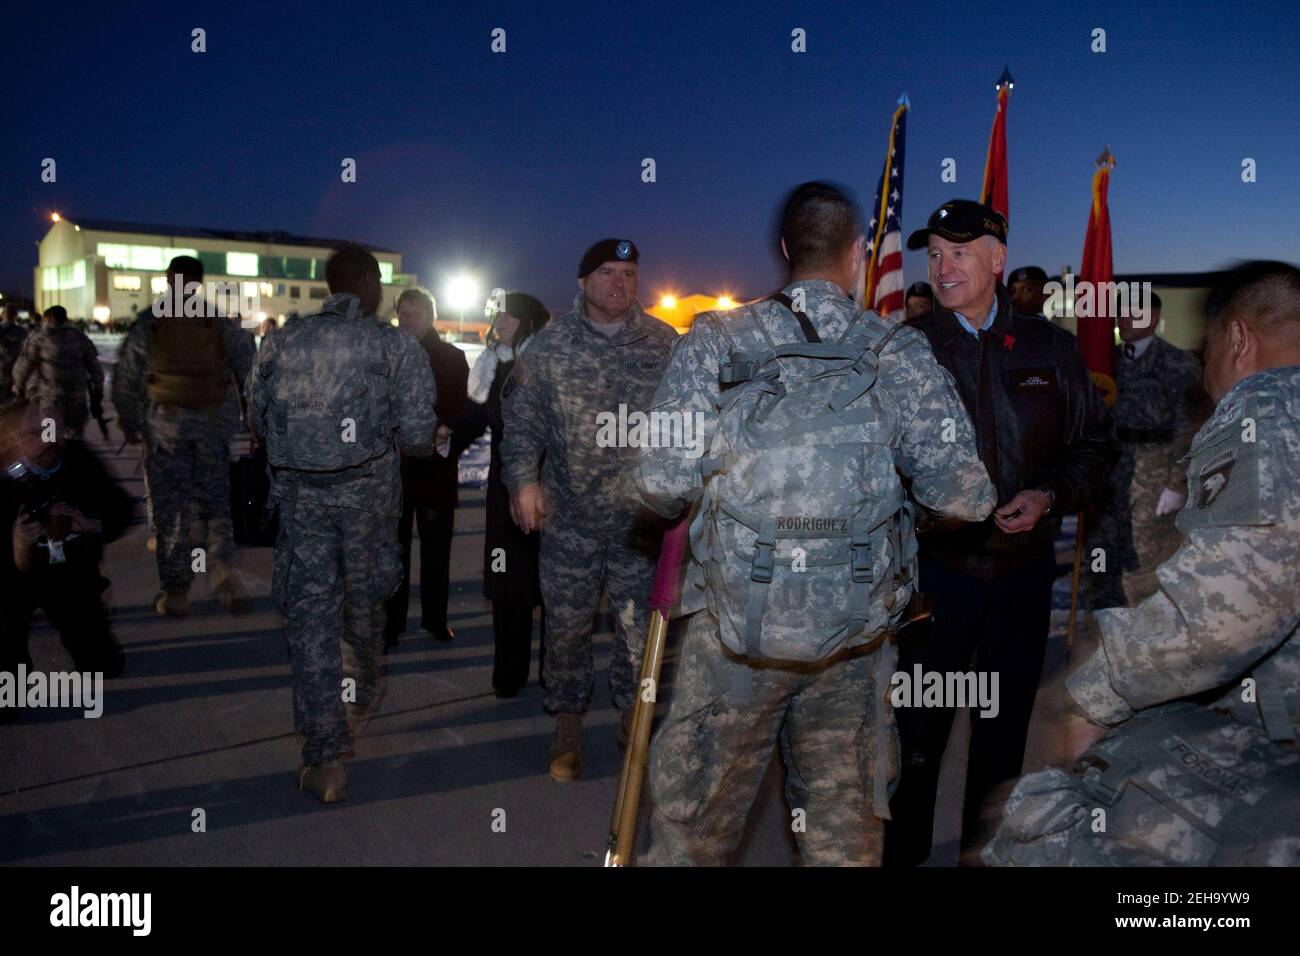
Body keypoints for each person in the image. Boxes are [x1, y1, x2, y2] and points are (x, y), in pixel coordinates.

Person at [635, 182, 995, 865]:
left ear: (783, 250)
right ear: (857, 253)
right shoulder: (898, 348)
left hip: (736, 637)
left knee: (693, 838)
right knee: (844, 842)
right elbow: (967, 496)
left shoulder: (715, 338)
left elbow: (658, 482)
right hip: (853, 644)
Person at [984, 261, 1300, 866]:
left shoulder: (1267, 405)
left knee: (1058, 824)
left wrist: (1093, 695)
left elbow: (1219, 618)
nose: (1207, 377)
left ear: (1237, 339)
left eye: (1210, 352)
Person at [884, 199, 1120, 866]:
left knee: (1001, 734)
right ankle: (901, 858)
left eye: (960, 252)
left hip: (1020, 574)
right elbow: (874, 459)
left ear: (997, 259)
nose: (943, 265)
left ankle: (981, 857)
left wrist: (1049, 495)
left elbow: (1096, 451)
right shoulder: (909, 349)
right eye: (934, 254)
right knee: (917, 738)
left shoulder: (1050, 348)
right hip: (934, 581)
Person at [246, 246, 435, 803]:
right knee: (363, 607)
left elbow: (256, 418)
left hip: (302, 506)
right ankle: (358, 700)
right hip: (368, 507)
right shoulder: (393, 345)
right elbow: (420, 434)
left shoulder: (280, 341)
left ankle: (324, 757)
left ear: (330, 286)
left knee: (310, 623)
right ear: (371, 285)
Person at [501, 238, 677, 782]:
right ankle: (569, 721)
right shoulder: (547, 347)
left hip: (638, 523)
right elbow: (522, 424)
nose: (619, 282)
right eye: (606, 272)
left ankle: (633, 718)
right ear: (582, 282)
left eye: (629, 272)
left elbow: (688, 421)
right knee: (567, 629)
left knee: (638, 633)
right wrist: (523, 481)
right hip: (570, 520)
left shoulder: (664, 343)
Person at [112, 256, 255, 617]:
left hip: (165, 430)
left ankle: (176, 593)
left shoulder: (151, 320)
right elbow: (249, 369)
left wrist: (130, 422)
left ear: (168, 280)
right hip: (211, 426)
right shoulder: (216, 319)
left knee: (171, 509)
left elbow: (127, 376)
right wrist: (253, 418)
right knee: (217, 504)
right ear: (199, 282)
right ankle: (229, 578)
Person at [0, 400, 131, 723]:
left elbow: (122, 510)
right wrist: (16, 541)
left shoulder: (79, 460)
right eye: (38, 432)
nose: (50, 440)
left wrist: (93, 524)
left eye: (56, 431)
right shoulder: (4, 471)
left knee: (102, 665)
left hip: (69, 575)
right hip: (11, 581)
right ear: (16, 437)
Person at [453, 291, 550, 697]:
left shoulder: (546, 364)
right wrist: (442, 444)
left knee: (552, 587)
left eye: (509, 314)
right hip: (503, 492)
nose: (500, 319)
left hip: (547, 491)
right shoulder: (491, 364)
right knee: (508, 581)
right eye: (500, 313)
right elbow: (473, 419)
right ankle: (509, 674)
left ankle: (555, 677)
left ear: (527, 321)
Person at [1087, 291, 1208, 609]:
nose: (1123, 319)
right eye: (1120, 312)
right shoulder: (1103, 361)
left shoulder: (1178, 364)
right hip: (1107, 475)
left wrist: (1177, 483)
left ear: (1153, 318)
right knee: (1101, 559)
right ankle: (1101, 636)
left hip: (1154, 478)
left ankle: (1145, 641)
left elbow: (1191, 429)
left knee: (1143, 567)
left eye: (1133, 312)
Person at [385, 287, 468, 647]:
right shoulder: (386, 355)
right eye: (403, 313)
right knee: (392, 550)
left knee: (436, 550)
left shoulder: (451, 357)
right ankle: (392, 621)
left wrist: (445, 427)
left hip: (435, 468)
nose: (408, 319)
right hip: (394, 470)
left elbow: (462, 409)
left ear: (431, 317)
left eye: (416, 313)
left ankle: (435, 619)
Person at [11, 306, 104, 441]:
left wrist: (18, 385)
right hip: (76, 397)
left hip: (51, 398)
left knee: (49, 440)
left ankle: (53, 458)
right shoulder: (79, 337)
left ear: (48, 318)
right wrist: (98, 385)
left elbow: (25, 363)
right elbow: (93, 364)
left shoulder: (39, 338)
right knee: (75, 437)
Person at [0, 303, 28, 399]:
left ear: (2, 314)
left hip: (3, 366)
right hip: (17, 367)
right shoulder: (23, 331)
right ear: (16, 315)